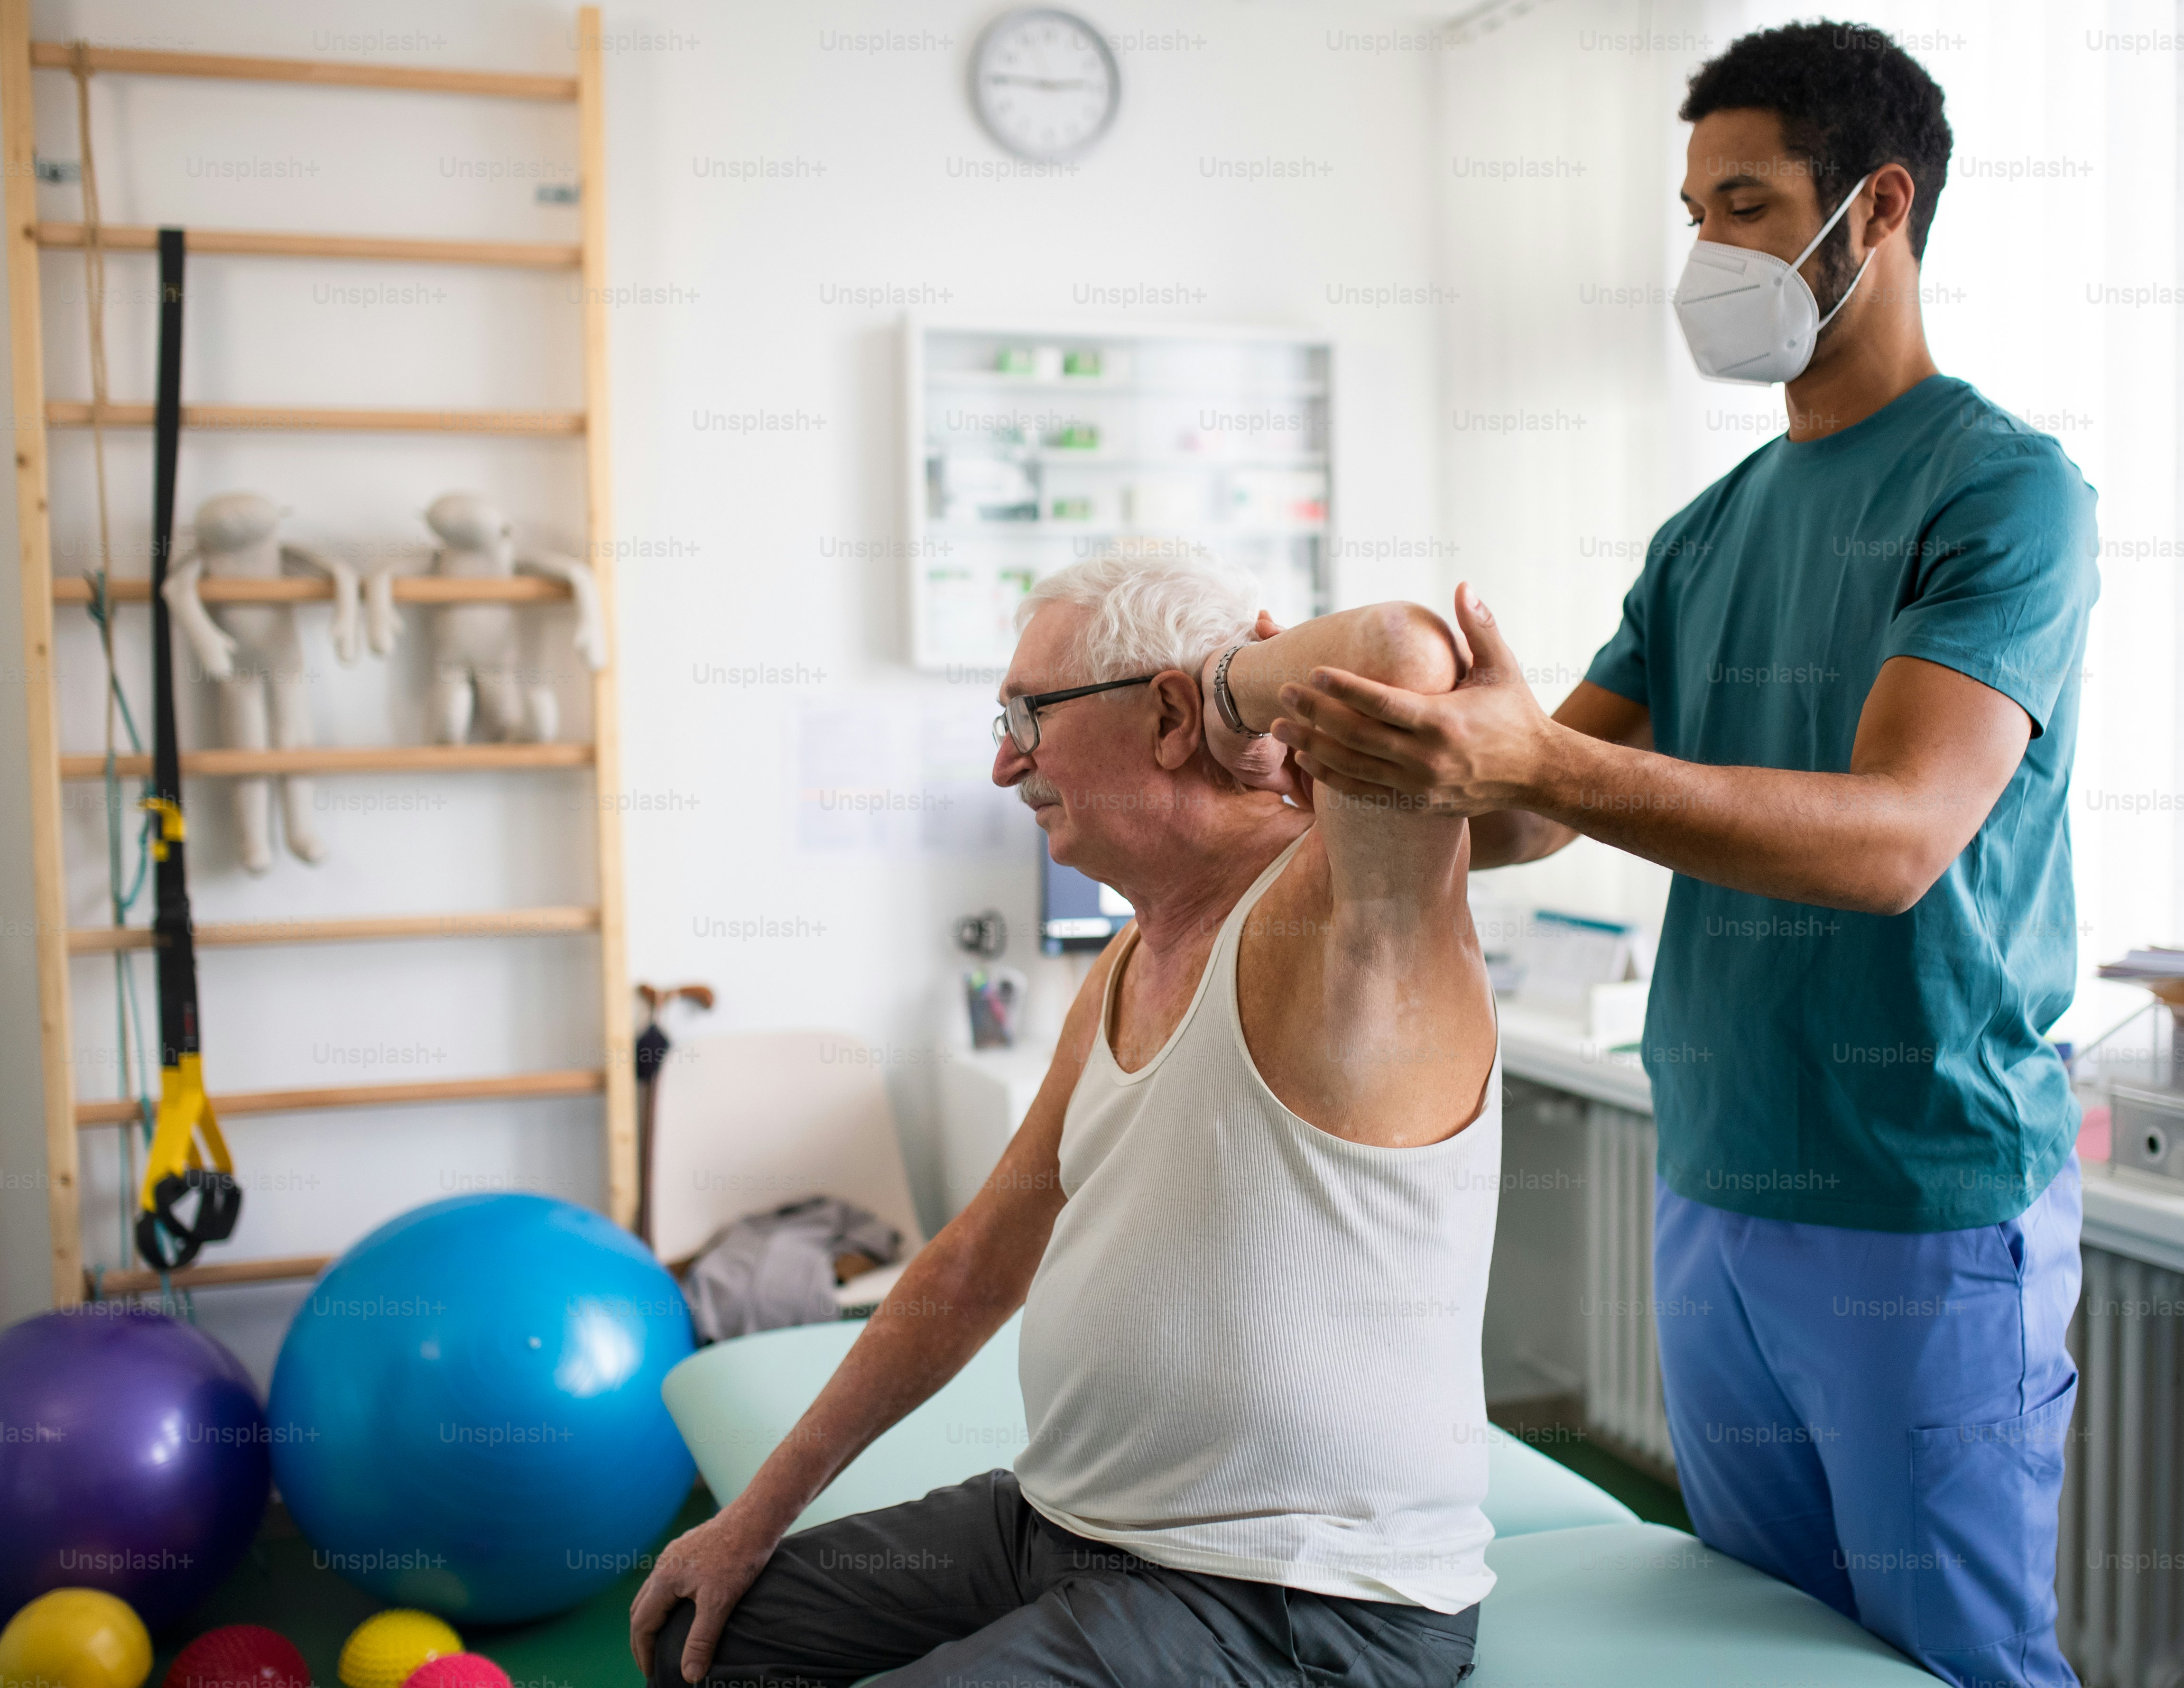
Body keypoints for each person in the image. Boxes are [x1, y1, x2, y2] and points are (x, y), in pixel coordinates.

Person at [1262, 23, 2097, 1688]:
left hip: (1916, 1200)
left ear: (1876, 209)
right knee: (1760, 1650)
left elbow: (1895, 844)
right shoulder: (1706, 533)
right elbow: (1528, 807)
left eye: (1742, 203)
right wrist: (1355, 768)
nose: (1706, 253)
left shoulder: (2003, 493)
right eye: (1691, 212)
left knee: (1952, 1663)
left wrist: (1526, 754)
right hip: (1716, 1176)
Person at [629, 551, 1502, 1688]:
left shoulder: (1342, 921)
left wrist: (1230, 687)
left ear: (1171, 714)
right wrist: (753, 1516)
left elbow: (1404, 653)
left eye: (1025, 715)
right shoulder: (1125, 963)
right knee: (701, 1641)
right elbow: (973, 1264)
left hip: (1293, 1594)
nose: (1002, 763)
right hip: (1062, 1527)